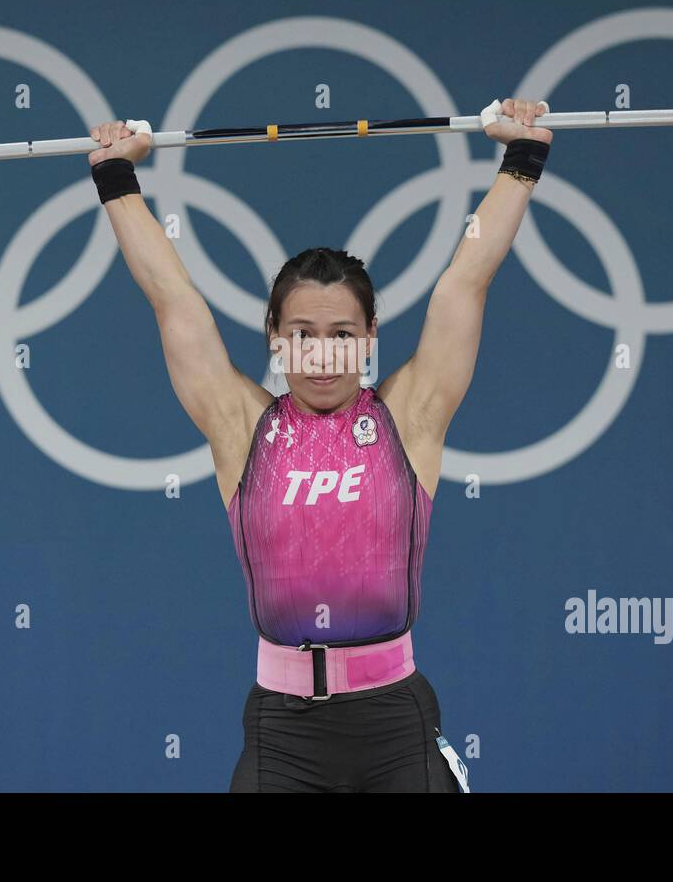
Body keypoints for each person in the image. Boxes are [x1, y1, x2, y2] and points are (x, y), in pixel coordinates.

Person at [87, 99, 552, 792]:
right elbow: (173, 298)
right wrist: (116, 178)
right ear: (276, 336)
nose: (323, 354)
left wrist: (521, 159)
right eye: (303, 333)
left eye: (343, 335)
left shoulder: (410, 418)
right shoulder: (243, 425)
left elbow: (465, 282)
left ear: (370, 340)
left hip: (396, 724)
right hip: (284, 732)